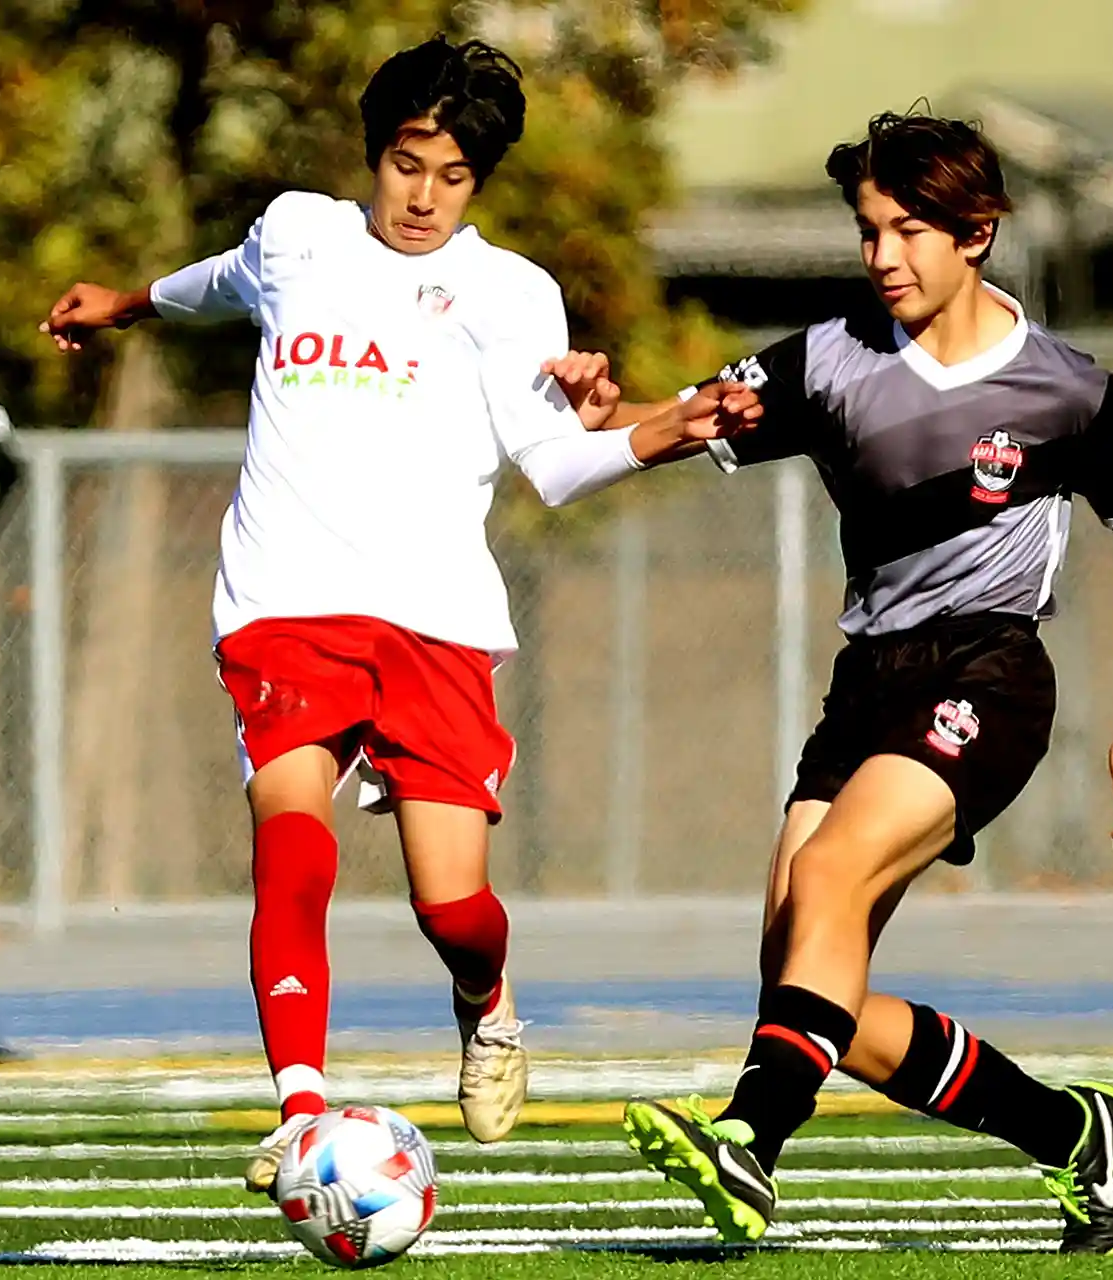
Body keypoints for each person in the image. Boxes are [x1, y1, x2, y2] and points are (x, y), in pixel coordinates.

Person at [39, 36, 756, 1194]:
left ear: (481, 182)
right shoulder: (297, 235)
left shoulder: (511, 293)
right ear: (375, 152)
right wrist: (121, 305)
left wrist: (665, 424)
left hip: (433, 621)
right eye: (408, 162)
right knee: (291, 845)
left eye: (454, 175)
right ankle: (302, 1104)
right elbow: (213, 283)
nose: (424, 195)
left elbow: (556, 467)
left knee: (452, 901)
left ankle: (487, 995)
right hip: (285, 604)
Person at [546, 111, 1113, 1254]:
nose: (883, 255)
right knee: (803, 976)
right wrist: (608, 412)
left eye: (908, 231)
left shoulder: (1067, 391)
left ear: (977, 233)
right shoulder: (829, 358)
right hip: (869, 678)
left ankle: (748, 1141)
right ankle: (1069, 1130)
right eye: (868, 231)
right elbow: (690, 415)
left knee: (831, 874)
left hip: (990, 668)